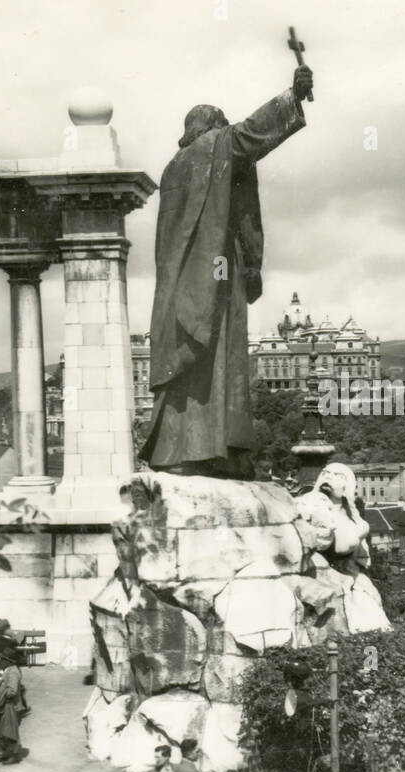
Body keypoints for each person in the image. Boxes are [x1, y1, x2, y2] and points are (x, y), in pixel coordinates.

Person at [138, 65, 313, 479]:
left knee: (196, 364)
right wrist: (292, 97)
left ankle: (178, 451)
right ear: (212, 129)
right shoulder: (214, 148)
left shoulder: (172, 168)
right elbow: (248, 135)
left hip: (181, 284)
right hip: (216, 271)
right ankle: (218, 452)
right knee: (222, 359)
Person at [0, 652, 23, 763]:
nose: (0, 662)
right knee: (4, 730)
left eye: (2, 660)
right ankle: (6, 753)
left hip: (10, 705)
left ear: (8, 661)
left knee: (9, 730)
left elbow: (12, 691)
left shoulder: (13, 672)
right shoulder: (8, 670)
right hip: (4, 704)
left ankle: (13, 755)